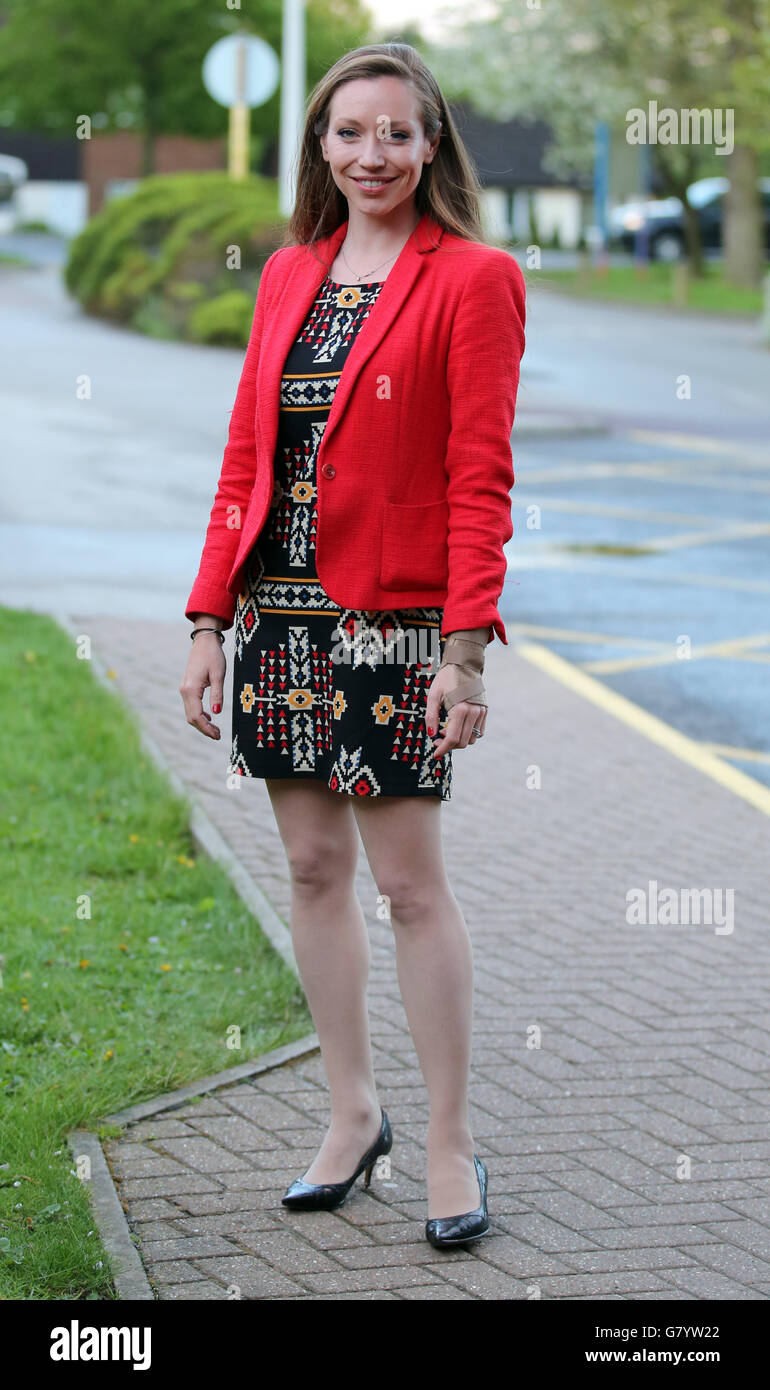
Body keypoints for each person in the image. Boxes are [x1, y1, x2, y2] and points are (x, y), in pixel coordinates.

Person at [179, 41, 526, 1251]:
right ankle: (349, 1112)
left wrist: (465, 648)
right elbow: (244, 458)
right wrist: (206, 617)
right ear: (319, 147)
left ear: (431, 144)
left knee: (407, 886)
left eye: (393, 132)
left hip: (393, 625)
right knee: (314, 872)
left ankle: (444, 1139)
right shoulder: (288, 274)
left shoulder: (474, 278)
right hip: (278, 621)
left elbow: (479, 475)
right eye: (347, 133)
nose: (369, 154)